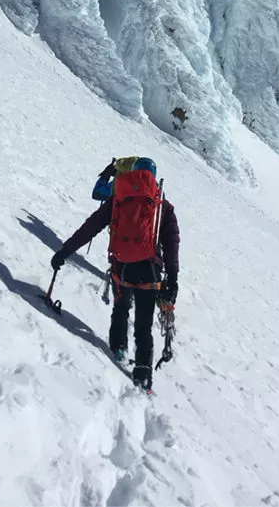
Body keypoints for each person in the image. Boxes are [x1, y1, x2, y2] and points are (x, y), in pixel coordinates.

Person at [51, 157, 179, 390]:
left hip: (122, 267)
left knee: (121, 308)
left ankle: (118, 347)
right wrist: (173, 279)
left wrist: (64, 251)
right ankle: (142, 373)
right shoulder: (163, 207)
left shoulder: (119, 196)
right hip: (149, 273)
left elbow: (91, 226)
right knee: (143, 323)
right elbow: (172, 245)